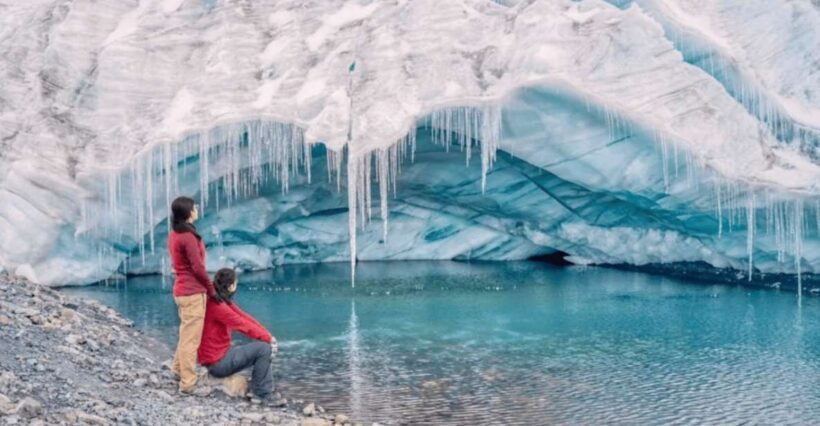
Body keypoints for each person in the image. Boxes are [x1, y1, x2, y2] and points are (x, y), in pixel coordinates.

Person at [198, 268, 277, 401]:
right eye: (236, 283)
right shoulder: (218, 306)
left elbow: (244, 317)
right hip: (217, 364)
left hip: (216, 357)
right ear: (231, 286)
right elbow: (242, 324)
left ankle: (259, 386)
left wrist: (267, 335)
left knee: (263, 345)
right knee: (264, 349)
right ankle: (262, 394)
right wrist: (269, 340)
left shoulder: (219, 300)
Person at [168, 196, 215, 393]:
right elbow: (197, 267)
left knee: (185, 333)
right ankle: (188, 383)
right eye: (194, 207)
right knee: (191, 339)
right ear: (188, 212)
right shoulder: (187, 237)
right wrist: (211, 288)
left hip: (182, 289)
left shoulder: (175, 234)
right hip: (192, 292)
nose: (196, 209)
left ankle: (178, 369)